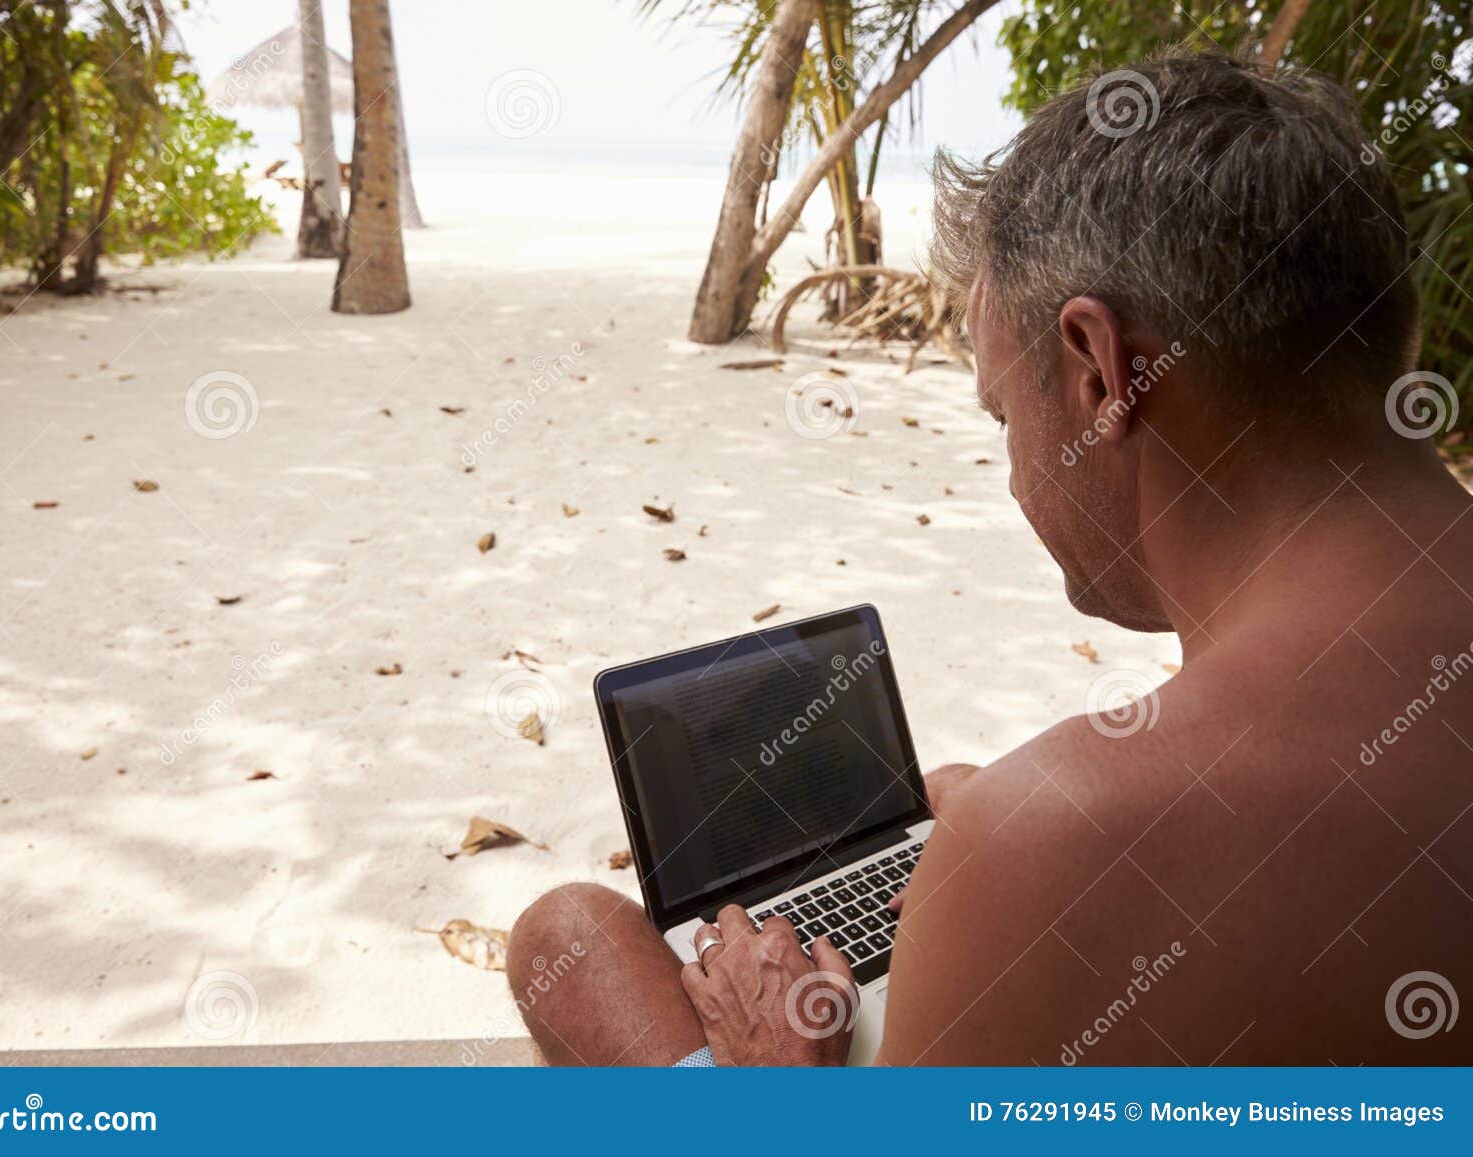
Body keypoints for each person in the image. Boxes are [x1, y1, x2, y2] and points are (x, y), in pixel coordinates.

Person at [506, 49, 1473, 1066]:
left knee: (568, 932)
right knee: (952, 785)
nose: (1017, 474)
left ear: (1102, 374)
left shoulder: (1049, 849)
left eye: (1005, 413)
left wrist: (774, 1066)